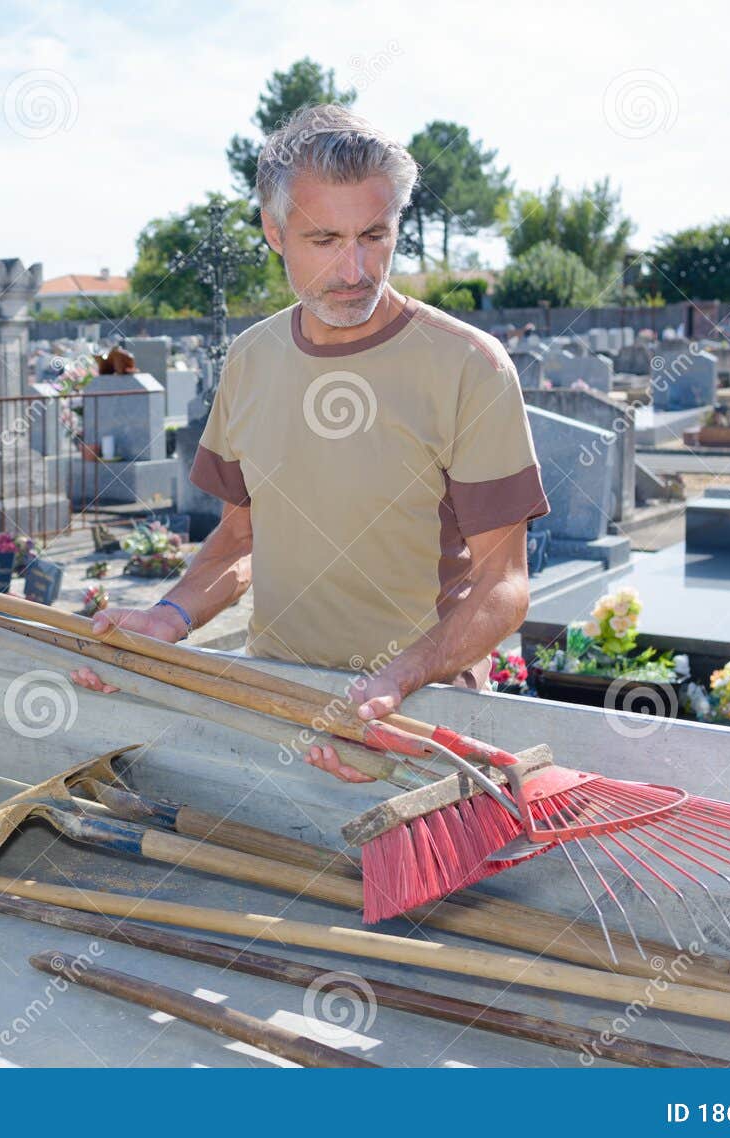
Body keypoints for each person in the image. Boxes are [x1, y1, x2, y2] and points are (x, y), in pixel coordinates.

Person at [68, 104, 549, 782]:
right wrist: (172, 615)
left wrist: (401, 679)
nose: (354, 269)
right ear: (274, 230)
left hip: (422, 721)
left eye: (374, 235)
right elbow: (241, 541)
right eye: (324, 240)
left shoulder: (470, 364)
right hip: (279, 706)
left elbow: (504, 584)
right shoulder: (250, 359)